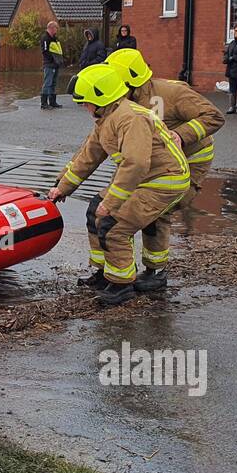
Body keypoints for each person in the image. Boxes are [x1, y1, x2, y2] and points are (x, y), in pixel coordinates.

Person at [47, 64, 191, 306]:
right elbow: (87, 157)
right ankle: (105, 273)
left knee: (113, 224)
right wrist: (62, 187)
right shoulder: (108, 118)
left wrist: (112, 202)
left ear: (101, 99)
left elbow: (135, 164)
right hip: (146, 178)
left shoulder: (130, 118)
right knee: (95, 210)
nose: (84, 107)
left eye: (86, 102)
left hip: (165, 180)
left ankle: (121, 284)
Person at [103, 48, 225, 284]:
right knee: (127, 209)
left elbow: (214, 117)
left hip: (190, 162)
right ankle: (124, 269)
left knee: (158, 211)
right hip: (154, 164)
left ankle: (155, 272)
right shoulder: (123, 100)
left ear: (130, 80)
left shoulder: (173, 92)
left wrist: (180, 135)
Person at [40, 20, 64, 110]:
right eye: (56, 28)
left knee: (53, 83)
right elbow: (45, 51)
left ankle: (52, 102)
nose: (56, 30)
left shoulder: (55, 38)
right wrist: (53, 59)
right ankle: (44, 103)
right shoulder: (45, 38)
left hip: (55, 64)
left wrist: (59, 61)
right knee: (47, 83)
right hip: (49, 64)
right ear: (51, 28)